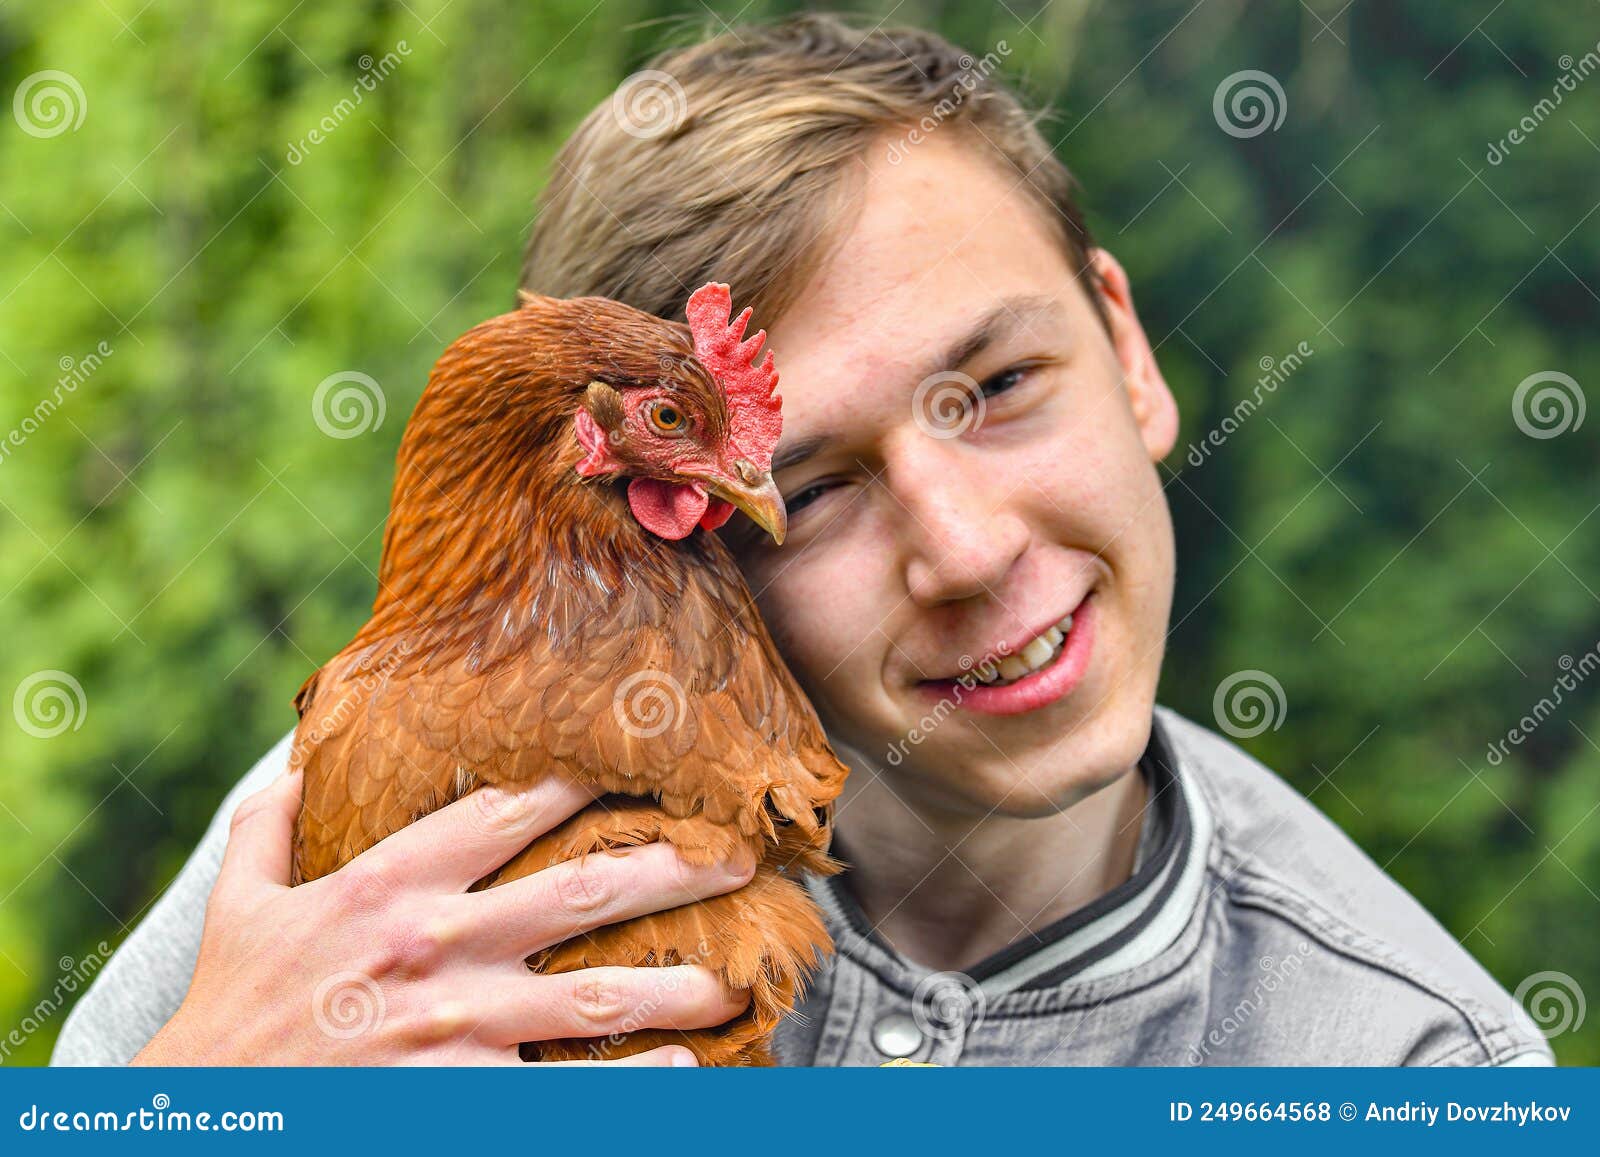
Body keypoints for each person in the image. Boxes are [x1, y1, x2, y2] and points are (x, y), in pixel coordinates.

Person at [53, 14, 1551, 1067]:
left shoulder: (1407, 1059)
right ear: (687, 537)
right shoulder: (409, 847)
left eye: (1001, 387)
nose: (963, 549)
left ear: (1129, 350)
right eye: (819, 487)